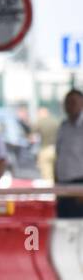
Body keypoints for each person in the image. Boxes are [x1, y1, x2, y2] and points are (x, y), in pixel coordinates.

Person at [53, 89, 83, 219]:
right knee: (64, 223)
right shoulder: (63, 127)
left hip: (79, 184)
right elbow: (59, 156)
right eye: (67, 102)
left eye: (73, 102)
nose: (69, 106)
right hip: (63, 184)